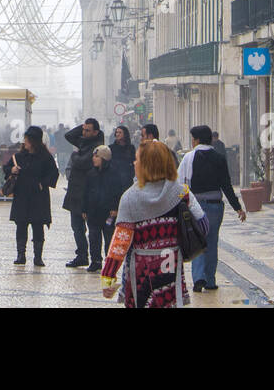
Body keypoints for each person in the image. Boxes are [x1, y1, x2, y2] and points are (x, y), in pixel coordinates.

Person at [101, 140, 206, 309]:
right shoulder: (182, 193)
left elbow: (120, 243)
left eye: (137, 160)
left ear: (145, 165)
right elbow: (203, 225)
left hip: (141, 269)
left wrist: (108, 275)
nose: (134, 163)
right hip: (170, 260)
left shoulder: (130, 198)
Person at [178, 125, 245, 292]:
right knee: (212, 241)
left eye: (193, 139)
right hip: (215, 205)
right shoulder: (219, 157)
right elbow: (226, 185)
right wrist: (238, 208)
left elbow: (180, 184)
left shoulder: (189, 157)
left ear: (197, 140)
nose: (192, 142)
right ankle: (210, 280)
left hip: (196, 206)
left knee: (197, 240)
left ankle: (198, 277)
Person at [5, 125, 59, 266]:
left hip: (38, 197)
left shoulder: (45, 157)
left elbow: (54, 173)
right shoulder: (19, 156)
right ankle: (21, 255)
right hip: (22, 195)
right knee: (21, 225)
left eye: (27, 140)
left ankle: (38, 256)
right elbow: (6, 168)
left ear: (34, 141)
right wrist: (12, 169)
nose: (25, 142)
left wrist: (43, 183)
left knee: (38, 226)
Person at [62, 118, 105, 267]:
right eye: (83, 130)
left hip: (88, 193)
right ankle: (81, 255)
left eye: (88, 130)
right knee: (76, 227)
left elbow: (82, 162)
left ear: (96, 132)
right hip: (75, 192)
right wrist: (84, 125)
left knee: (93, 229)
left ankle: (96, 259)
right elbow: (68, 136)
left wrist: (74, 155)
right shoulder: (83, 141)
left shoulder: (97, 146)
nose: (84, 133)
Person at [83, 145, 120, 272]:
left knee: (109, 238)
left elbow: (118, 192)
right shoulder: (91, 174)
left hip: (108, 213)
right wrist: (84, 209)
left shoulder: (114, 173)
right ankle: (95, 261)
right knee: (93, 237)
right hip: (93, 212)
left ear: (104, 158)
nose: (94, 158)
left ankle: (109, 261)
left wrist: (116, 208)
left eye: (96, 156)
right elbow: (86, 192)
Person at [109, 125, 136, 194]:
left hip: (127, 179)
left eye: (120, 132)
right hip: (115, 179)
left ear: (125, 134)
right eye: (117, 132)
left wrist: (131, 173)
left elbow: (133, 161)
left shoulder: (131, 148)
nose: (117, 134)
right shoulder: (111, 148)